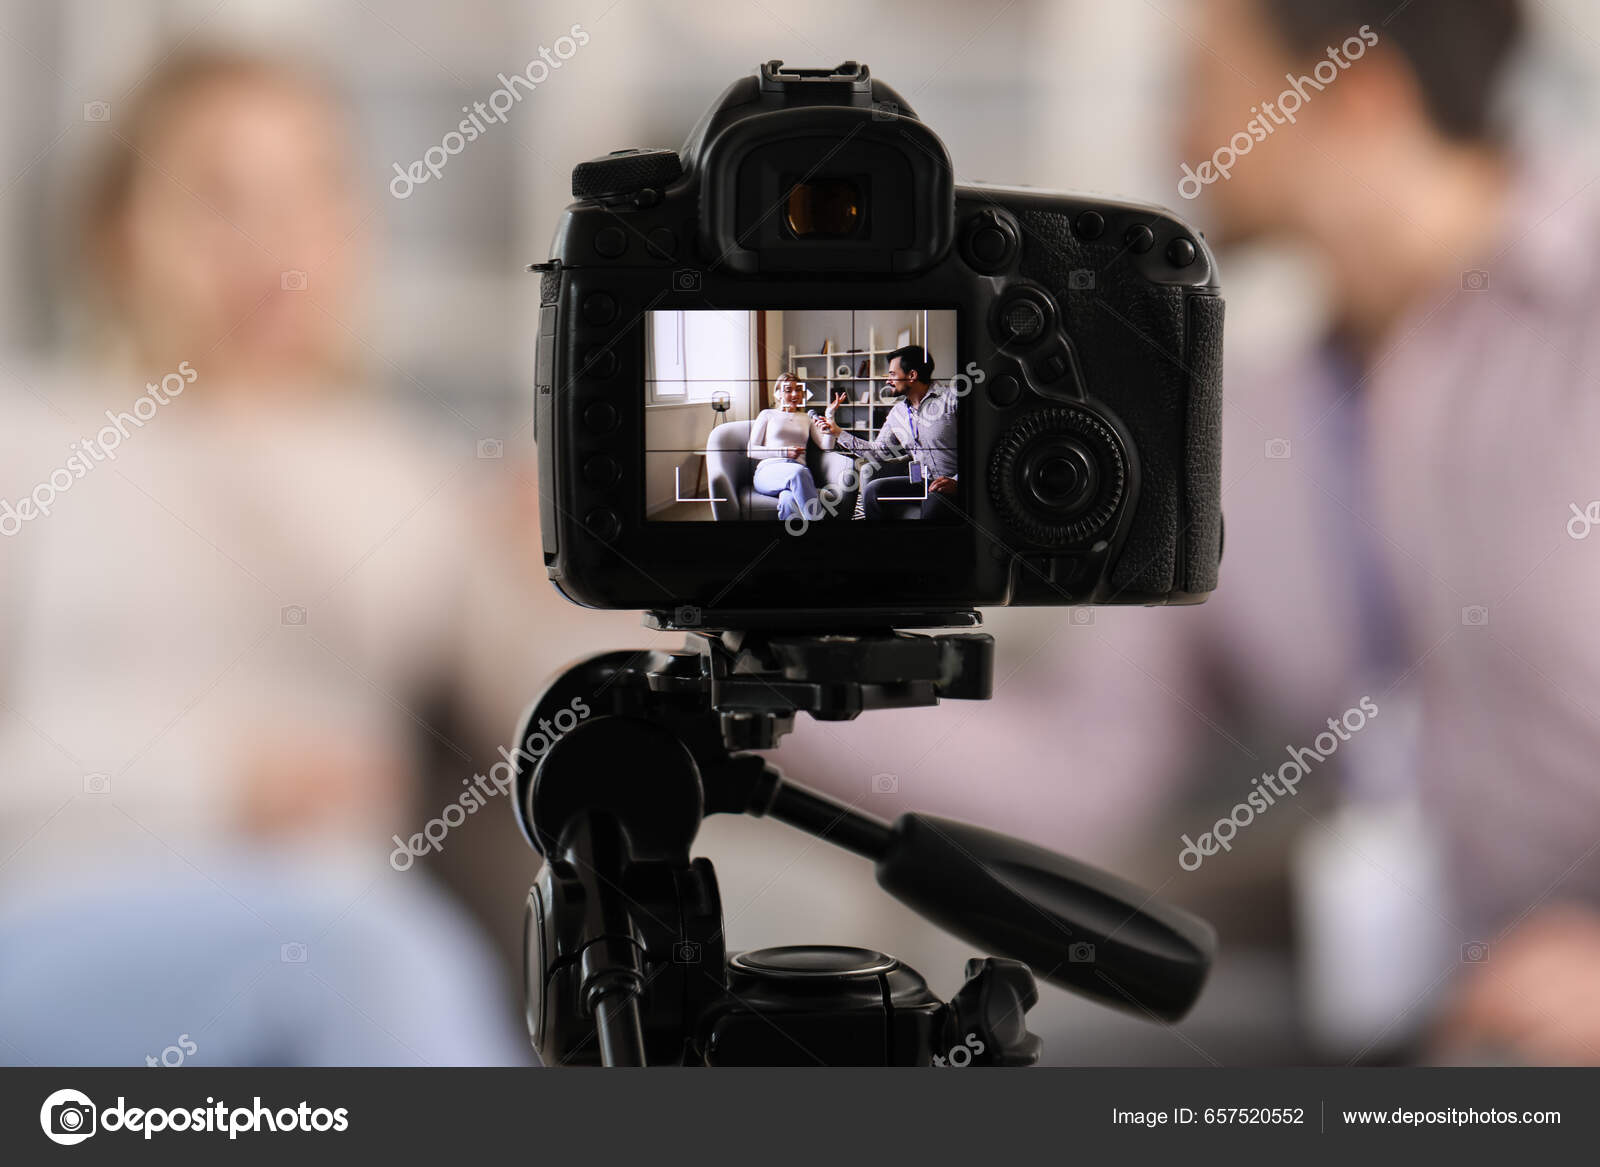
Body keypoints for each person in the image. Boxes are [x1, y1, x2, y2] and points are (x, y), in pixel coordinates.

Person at [819, 346, 957, 520]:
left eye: (892, 374)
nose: (887, 380)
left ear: (912, 375)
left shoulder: (951, 400)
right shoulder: (897, 413)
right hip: (921, 481)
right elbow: (877, 452)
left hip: (949, 483)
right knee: (872, 490)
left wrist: (958, 481)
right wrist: (838, 432)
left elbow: (977, 445)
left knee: (932, 508)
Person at [746, 372, 833, 521]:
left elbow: (827, 447)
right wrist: (784, 452)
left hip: (797, 473)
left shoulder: (807, 418)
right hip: (768, 472)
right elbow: (751, 450)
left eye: (798, 390)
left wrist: (830, 422)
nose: (795, 394)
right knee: (798, 473)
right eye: (788, 390)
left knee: (788, 500)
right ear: (778, 394)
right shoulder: (767, 414)